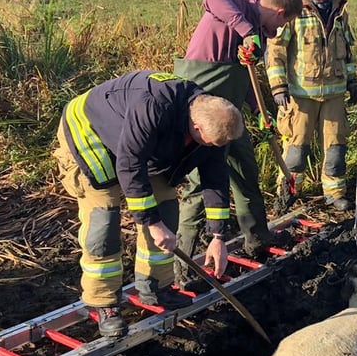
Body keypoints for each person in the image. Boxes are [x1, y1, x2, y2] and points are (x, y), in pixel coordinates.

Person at [53, 71, 244, 339]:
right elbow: (130, 165)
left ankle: (155, 287)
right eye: (213, 143)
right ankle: (105, 302)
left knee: (166, 207)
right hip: (89, 134)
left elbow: (215, 177)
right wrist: (151, 223)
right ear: (197, 128)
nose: (216, 148)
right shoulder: (154, 106)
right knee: (104, 220)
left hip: (135, 143)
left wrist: (218, 236)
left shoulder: (209, 119)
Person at [174, 0, 304, 269]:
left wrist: (259, 111)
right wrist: (247, 33)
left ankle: (257, 239)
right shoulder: (236, 10)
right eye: (284, 22)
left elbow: (245, 77)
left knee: (246, 170)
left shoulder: (260, 34)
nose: (281, 28)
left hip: (231, 113)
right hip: (201, 116)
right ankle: (181, 265)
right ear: (280, 12)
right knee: (199, 187)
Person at [266, 0, 357, 212]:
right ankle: (287, 194)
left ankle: (335, 193)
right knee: (296, 149)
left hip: (334, 94)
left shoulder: (340, 11)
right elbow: (275, 50)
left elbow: (347, 52)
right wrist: (278, 86)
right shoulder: (296, 10)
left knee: (336, 147)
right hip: (300, 95)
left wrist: (352, 81)